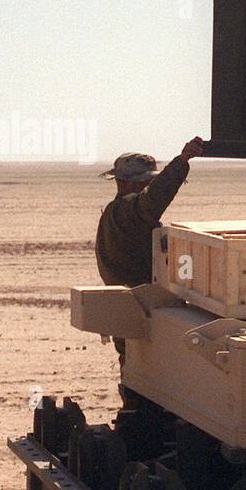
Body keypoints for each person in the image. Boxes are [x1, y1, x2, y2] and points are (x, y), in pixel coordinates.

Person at [96, 137, 205, 361]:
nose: (148, 187)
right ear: (124, 183)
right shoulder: (126, 212)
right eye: (145, 183)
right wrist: (182, 161)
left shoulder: (118, 214)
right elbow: (153, 200)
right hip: (137, 309)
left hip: (133, 310)